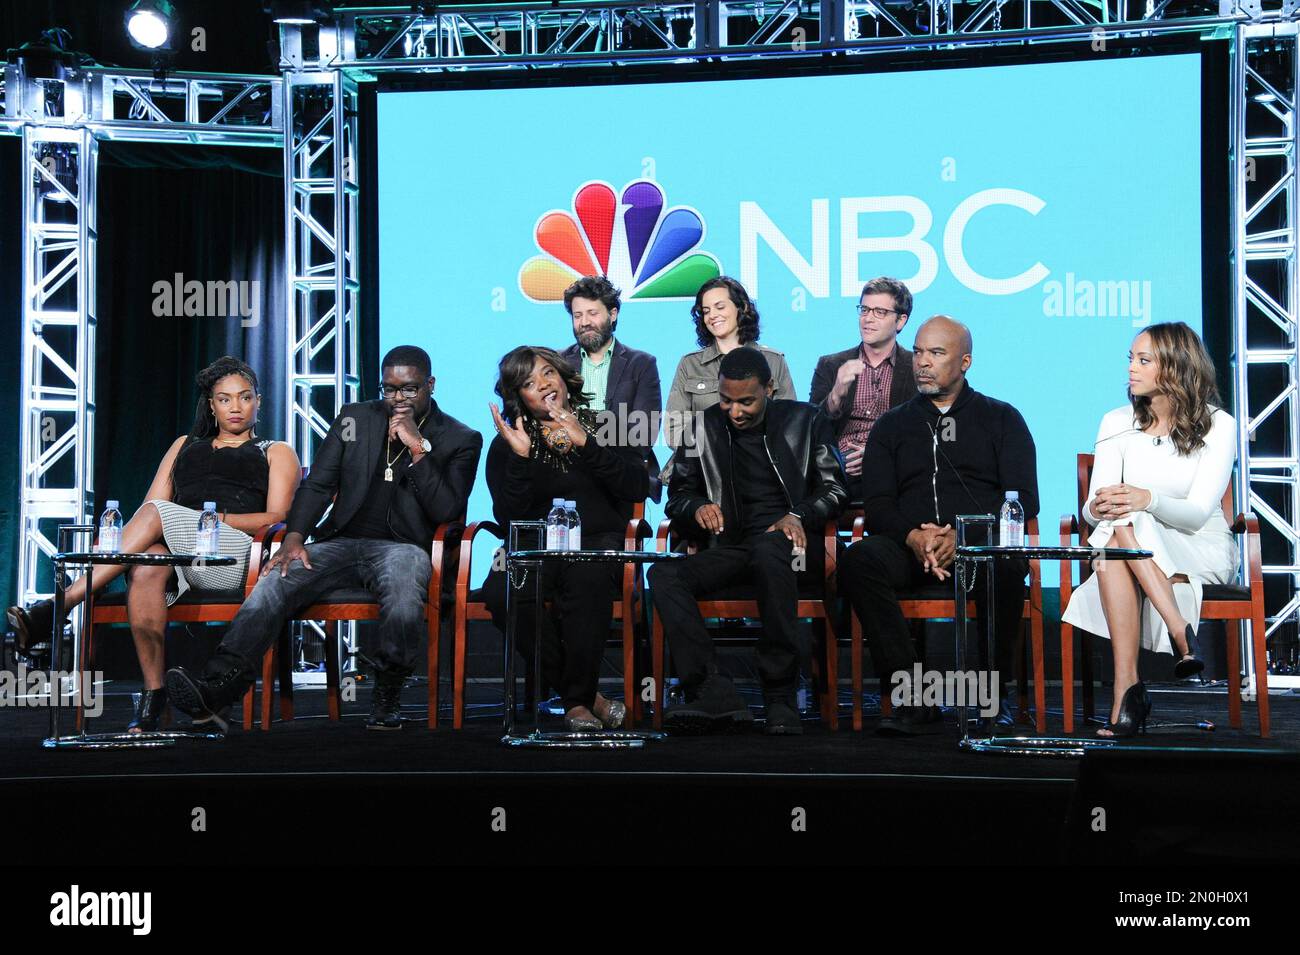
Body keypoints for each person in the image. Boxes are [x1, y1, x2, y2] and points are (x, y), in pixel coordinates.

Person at [164, 346, 482, 732]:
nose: (398, 399)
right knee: (274, 582)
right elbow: (318, 485)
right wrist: (295, 537)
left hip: (406, 548)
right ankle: (218, 689)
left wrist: (418, 448)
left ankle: (388, 691)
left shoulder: (460, 437)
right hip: (340, 541)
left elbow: (447, 510)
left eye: (410, 389)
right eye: (389, 389)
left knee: (403, 588)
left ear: (430, 385)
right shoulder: (354, 418)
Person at [7, 357, 300, 732]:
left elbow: (274, 518)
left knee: (158, 513)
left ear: (258, 401)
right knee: (146, 563)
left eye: (245, 398)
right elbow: (150, 508)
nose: (236, 407)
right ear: (211, 405)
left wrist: (213, 520)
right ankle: (153, 695)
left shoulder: (275, 450)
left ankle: (56, 607)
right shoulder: (184, 445)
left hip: (235, 557)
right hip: (180, 555)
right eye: (224, 399)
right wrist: (168, 527)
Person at [838, 316, 1038, 736]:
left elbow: (1022, 500)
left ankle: (992, 695)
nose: (922, 362)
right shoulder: (892, 425)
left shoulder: (1001, 418)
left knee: (1006, 565)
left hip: (976, 547)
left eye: (937, 353)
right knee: (859, 559)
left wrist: (962, 537)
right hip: (908, 546)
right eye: (920, 352)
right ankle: (913, 693)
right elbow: (876, 504)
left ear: (964, 362)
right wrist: (914, 537)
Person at [648, 347, 846, 736]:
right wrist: (698, 507)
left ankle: (780, 696)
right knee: (664, 576)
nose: (734, 411)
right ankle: (712, 690)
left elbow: (837, 489)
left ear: (770, 389)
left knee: (770, 548)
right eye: (725, 400)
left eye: (746, 402)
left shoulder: (806, 421)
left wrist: (798, 516)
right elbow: (678, 497)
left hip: (790, 549)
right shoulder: (703, 426)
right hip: (731, 548)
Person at [1062, 323, 1237, 738]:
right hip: (1130, 543)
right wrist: (1097, 505)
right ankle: (1179, 637)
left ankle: (1128, 691)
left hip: (1198, 544)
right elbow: (1093, 510)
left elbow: (1196, 514)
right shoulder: (1116, 421)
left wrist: (1147, 499)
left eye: (1144, 360)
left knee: (1121, 531)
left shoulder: (1219, 424)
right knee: (1117, 529)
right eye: (1130, 359)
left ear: (1176, 367)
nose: (1131, 369)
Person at [484, 346, 650, 732]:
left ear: (563, 376)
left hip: (595, 542)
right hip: (536, 547)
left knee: (586, 579)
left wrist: (586, 444)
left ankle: (574, 703)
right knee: (500, 591)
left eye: (547, 374)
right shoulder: (508, 442)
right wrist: (521, 459)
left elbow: (636, 485)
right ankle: (585, 697)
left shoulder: (606, 425)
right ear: (517, 395)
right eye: (528, 383)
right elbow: (508, 516)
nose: (542, 386)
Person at [662, 276, 796, 481]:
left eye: (719, 307)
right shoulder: (689, 364)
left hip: (761, 473)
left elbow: (789, 426)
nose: (712, 316)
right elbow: (674, 430)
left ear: (741, 308)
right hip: (703, 473)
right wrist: (718, 450)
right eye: (706, 311)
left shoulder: (773, 361)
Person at [809, 276, 918, 500]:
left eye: (879, 312)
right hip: (839, 469)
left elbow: (920, 430)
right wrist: (836, 393)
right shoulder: (831, 364)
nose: (868, 318)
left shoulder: (915, 368)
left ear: (900, 321)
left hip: (891, 468)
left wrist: (877, 454)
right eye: (864, 309)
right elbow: (811, 429)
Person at [558, 276, 663, 500]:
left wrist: (597, 454)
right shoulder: (557, 364)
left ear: (612, 314)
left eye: (592, 313)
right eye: (578, 315)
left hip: (620, 472)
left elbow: (643, 434)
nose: (584, 322)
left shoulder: (641, 364)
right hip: (567, 472)